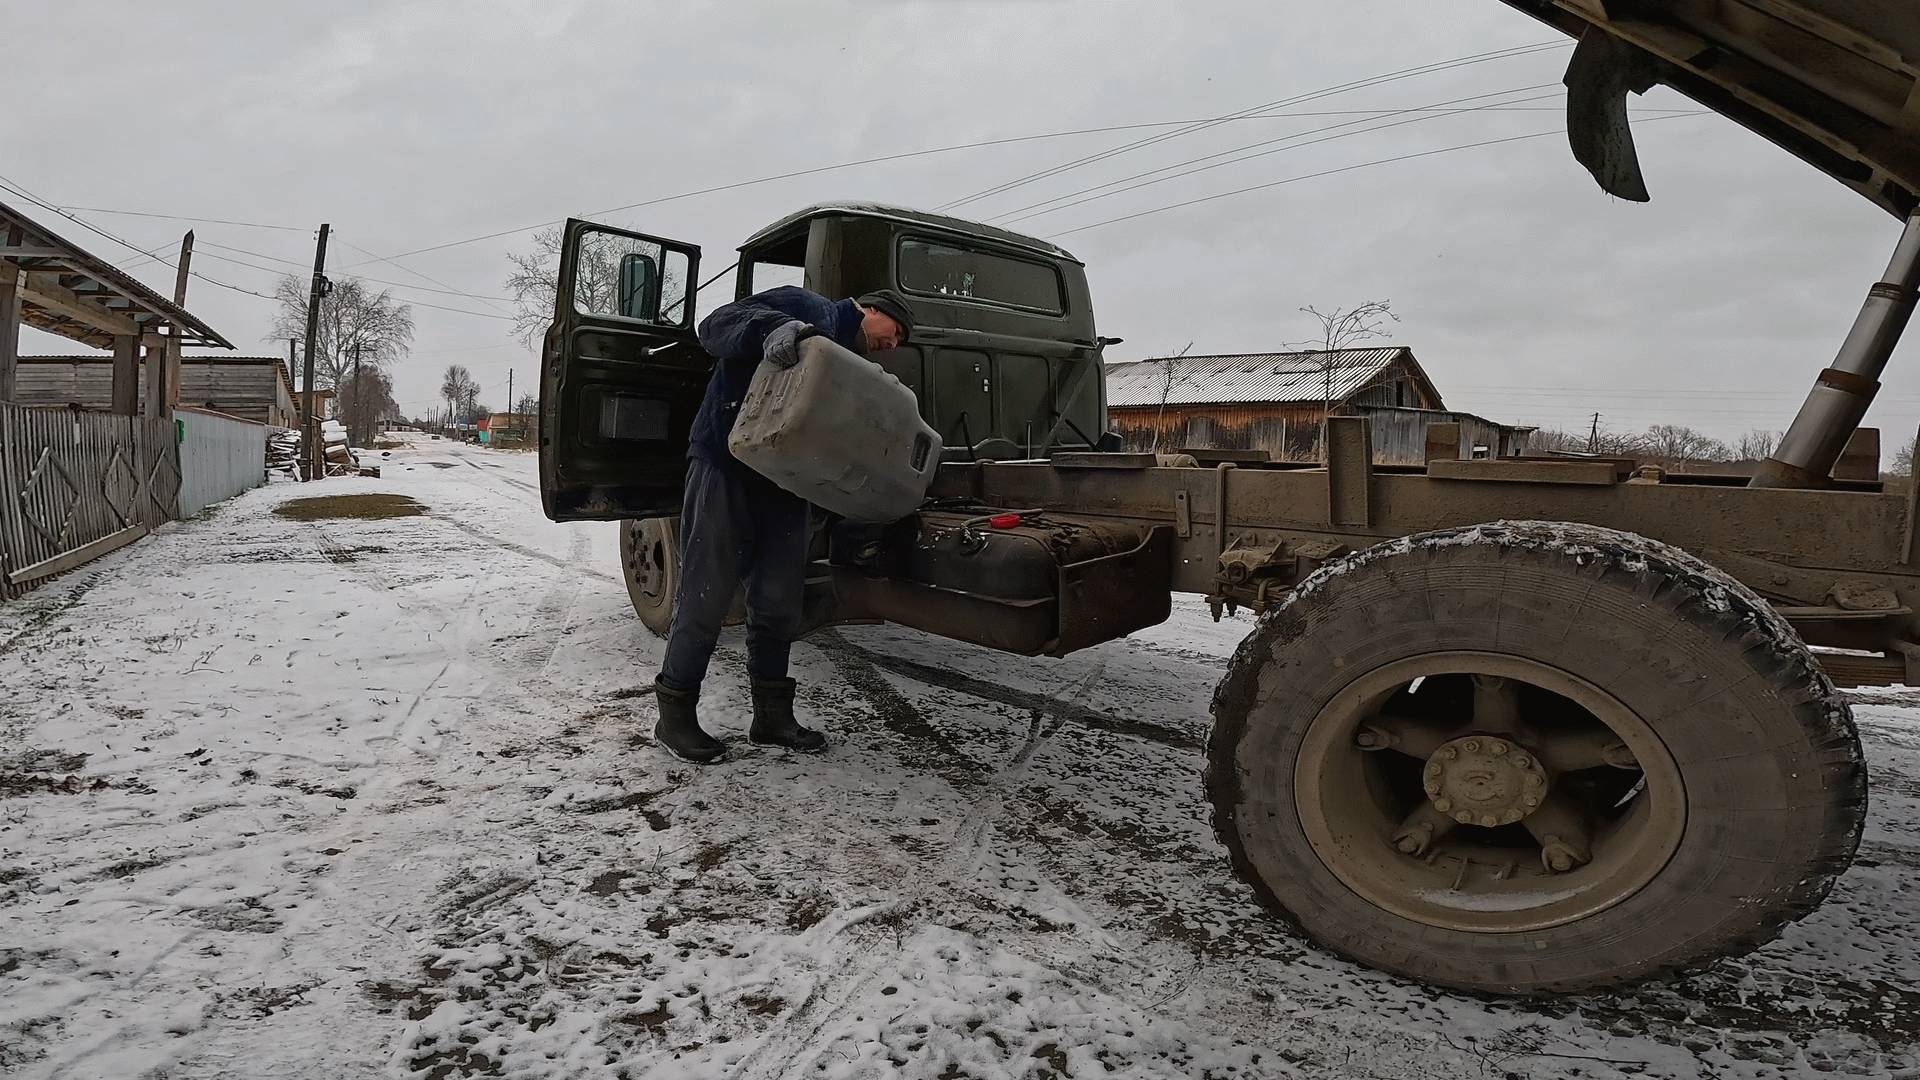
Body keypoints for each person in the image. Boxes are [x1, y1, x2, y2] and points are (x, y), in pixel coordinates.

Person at [651, 285, 915, 764]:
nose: (894, 345)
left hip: (789, 488)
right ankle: (674, 717)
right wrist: (772, 328)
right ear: (871, 309)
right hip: (726, 467)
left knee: (777, 604)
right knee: (706, 597)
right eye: (896, 331)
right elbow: (714, 324)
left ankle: (771, 717)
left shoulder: (854, 369)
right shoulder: (806, 306)